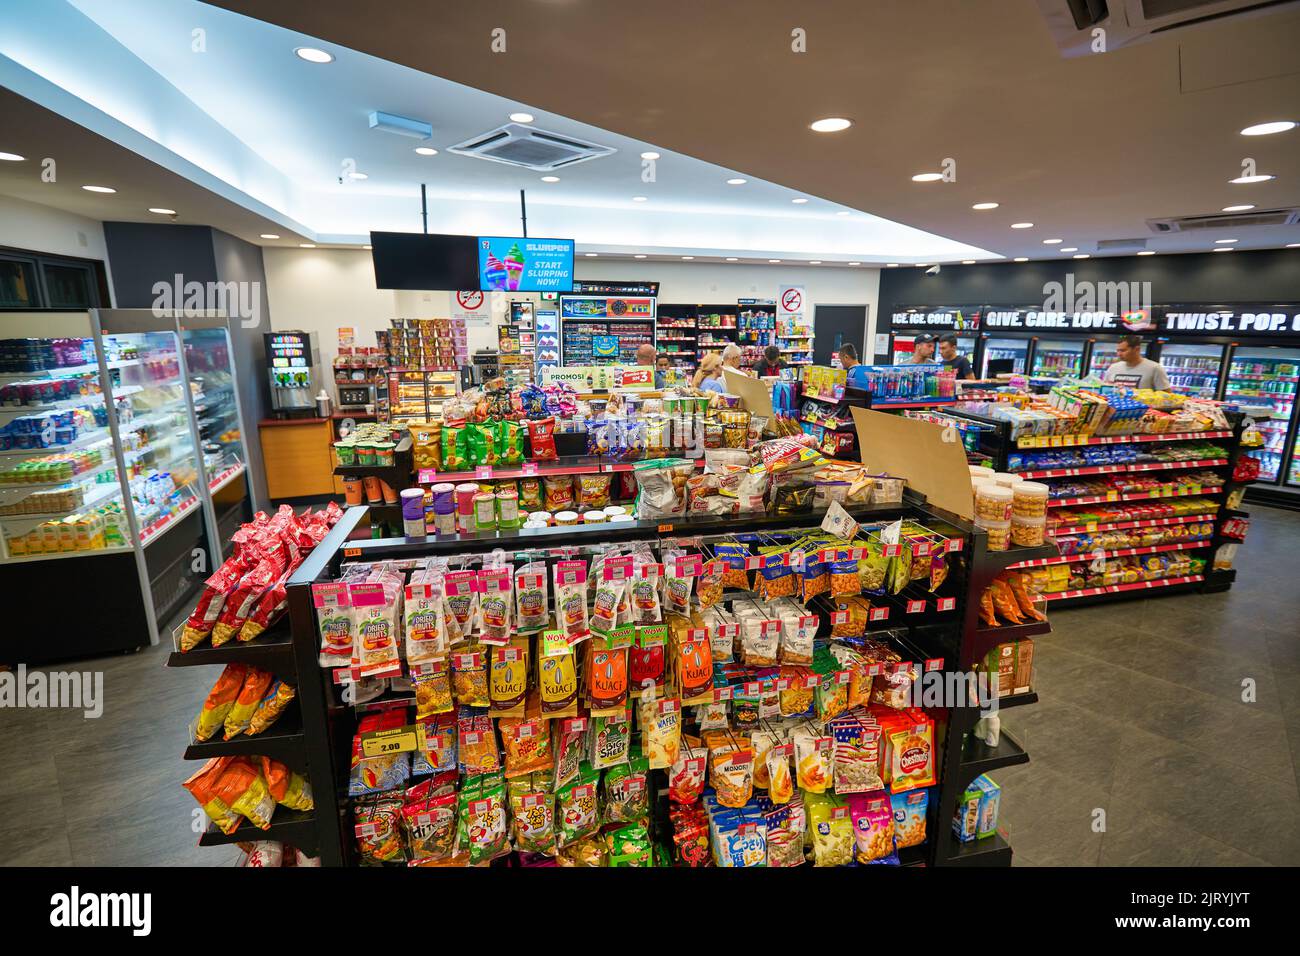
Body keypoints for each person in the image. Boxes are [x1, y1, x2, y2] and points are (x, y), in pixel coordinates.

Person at [1104, 335, 1169, 389]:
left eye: (1123, 350)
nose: (1119, 354)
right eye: (1118, 351)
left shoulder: (1154, 368)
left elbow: (1166, 395)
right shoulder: (1113, 368)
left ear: (1137, 349)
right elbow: (1105, 389)